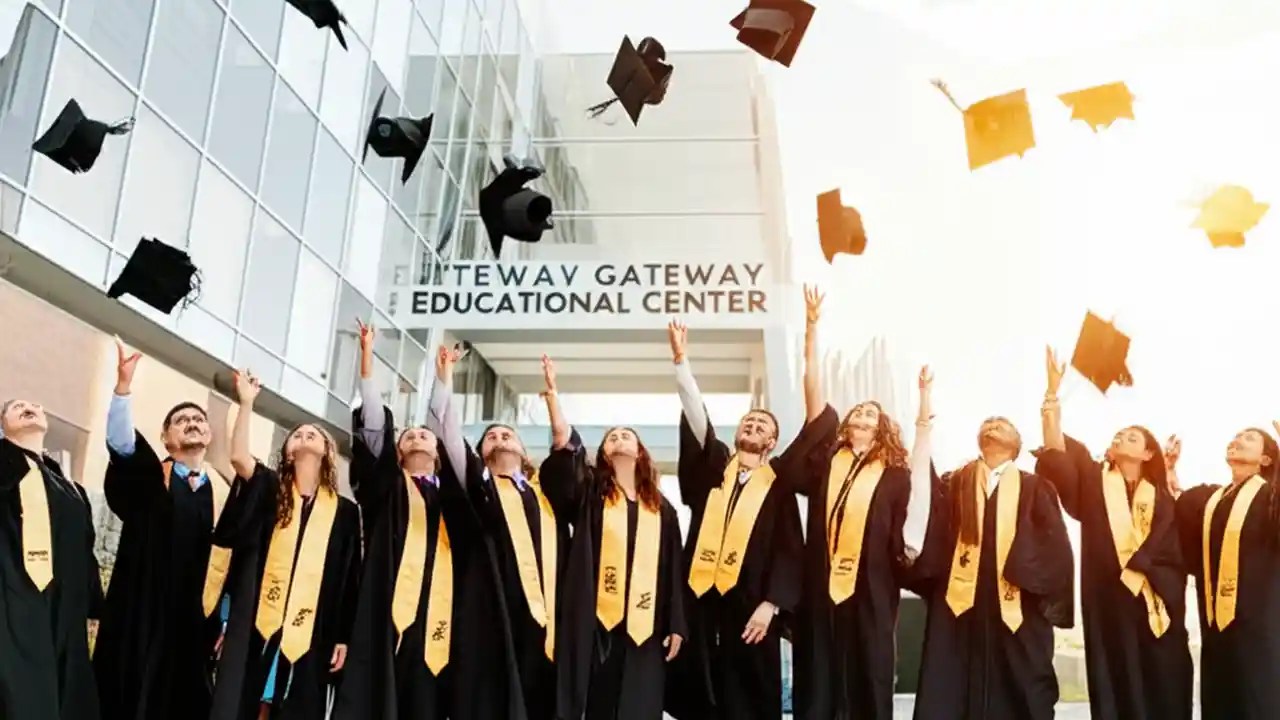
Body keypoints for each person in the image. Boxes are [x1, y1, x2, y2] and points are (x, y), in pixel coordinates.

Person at [334, 326, 525, 720]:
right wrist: (367, 365)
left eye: (426, 435)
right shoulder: (387, 489)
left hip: (448, 620)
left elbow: (454, 441)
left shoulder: (458, 499)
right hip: (388, 617)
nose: (419, 437)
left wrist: (444, 381)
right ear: (399, 452)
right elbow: (372, 431)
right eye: (410, 436)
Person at [781, 286, 934, 720]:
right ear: (846, 424)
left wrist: (924, 399)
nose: (863, 415)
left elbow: (922, 473)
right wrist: (811, 329)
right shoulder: (827, 462)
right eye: (858, 412)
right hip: (821, 582)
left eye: (872, 413)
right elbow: (812, 394)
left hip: (872, 583)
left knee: (869, 669)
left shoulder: (895, 475)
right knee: (821, 670)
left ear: (882, 426)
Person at [1035, 348, 1193, 720]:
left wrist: (1153, 567)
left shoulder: (1161, 496)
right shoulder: (1092, 478)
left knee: (1161, 676)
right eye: (1121, 434)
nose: (1123, 436)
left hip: (1155, 598)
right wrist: (1052, 394)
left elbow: (1175, 544)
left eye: (1133, 436)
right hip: (1108, 596)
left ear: (1149, 453)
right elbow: (1057, 452)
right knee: (1115, 675)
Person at [662, 318, 804, 720]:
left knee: (750, 699)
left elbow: (790, 549)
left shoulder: (776, 486)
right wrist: (681, 363)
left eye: (762, 425)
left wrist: (772, 605)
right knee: (703, 693)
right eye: (748, 421)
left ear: (771, 442)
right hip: (703, 600)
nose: (752, 425)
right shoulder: (714, 471)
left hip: (752, 606)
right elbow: (697, 423)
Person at [424, 353, 576, 720]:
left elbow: (564, 446)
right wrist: (445, 378)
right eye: (491, 436)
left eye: (508, 434)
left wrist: (553, 395)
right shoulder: (478, 486)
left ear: (524, 452)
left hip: (544, 625)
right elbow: (447, 438)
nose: (499, 438)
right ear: (482, 453)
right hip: (489, 614)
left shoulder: (546, 496)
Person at [907, 394, 1074, 719]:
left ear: (1016, 445)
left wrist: (1023, 571)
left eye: (1003, 424)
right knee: (951, 687)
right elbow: (921, 505)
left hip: (1016, 606)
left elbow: (1055, 548)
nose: (994, 424)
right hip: (959, 607)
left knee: (1023, 689)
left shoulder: (1035, 488)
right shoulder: (955, 483)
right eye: (989, 423)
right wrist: (923, 427)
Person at [210, 370, 362, 720]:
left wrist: (343, 637)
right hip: (259, 617)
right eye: (297, 434)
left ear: (327, 451)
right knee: (249, 700)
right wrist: (246, 403)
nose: (305, 435)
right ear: (288, 450)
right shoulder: (269, 488)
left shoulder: (344, 513)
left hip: (314, 627)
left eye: (313, 434)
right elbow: (238, 458)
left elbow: (348, 579)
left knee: (293, 706)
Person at [94, 338, 231, 720]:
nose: (192, 423)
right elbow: (122, 447)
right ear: (166, 439)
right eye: (181, 421)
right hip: (144, 615)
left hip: (195, 626)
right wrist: (123, 387)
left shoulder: (224, 495)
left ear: (209, 436)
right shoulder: (154, 479)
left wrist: (225, 618)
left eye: (198, 420)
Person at [545, 362, 687, 719]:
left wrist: (676, 624)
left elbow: (672, 571)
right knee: (599, 705)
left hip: (646, 628)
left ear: (640, 451)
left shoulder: (662, 509)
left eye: (627, 435)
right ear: (604, 453)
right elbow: (566, 465)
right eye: (612, 437)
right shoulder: (592, 491)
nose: (619, 439)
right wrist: (555, 407)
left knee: (640, 706)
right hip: (597, 624)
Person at [0, 398, 101, 720]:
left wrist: (94, 605)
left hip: (65, 611)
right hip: (15, 599)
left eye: (34, 405)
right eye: (16, 407)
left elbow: (85, 549)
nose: (28, 407)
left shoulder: (70, 487)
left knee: (65, 696)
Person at [1173, 423, 1280, 718]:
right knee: (1220, 698)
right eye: (1236, 436)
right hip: (1216, 624)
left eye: (1249, 438)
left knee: (1256, 698)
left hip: (1260, 622)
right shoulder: (1212, 500)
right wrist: (1169, 475)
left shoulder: (1271, 496)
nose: (1238, 440)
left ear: (1266, 459)